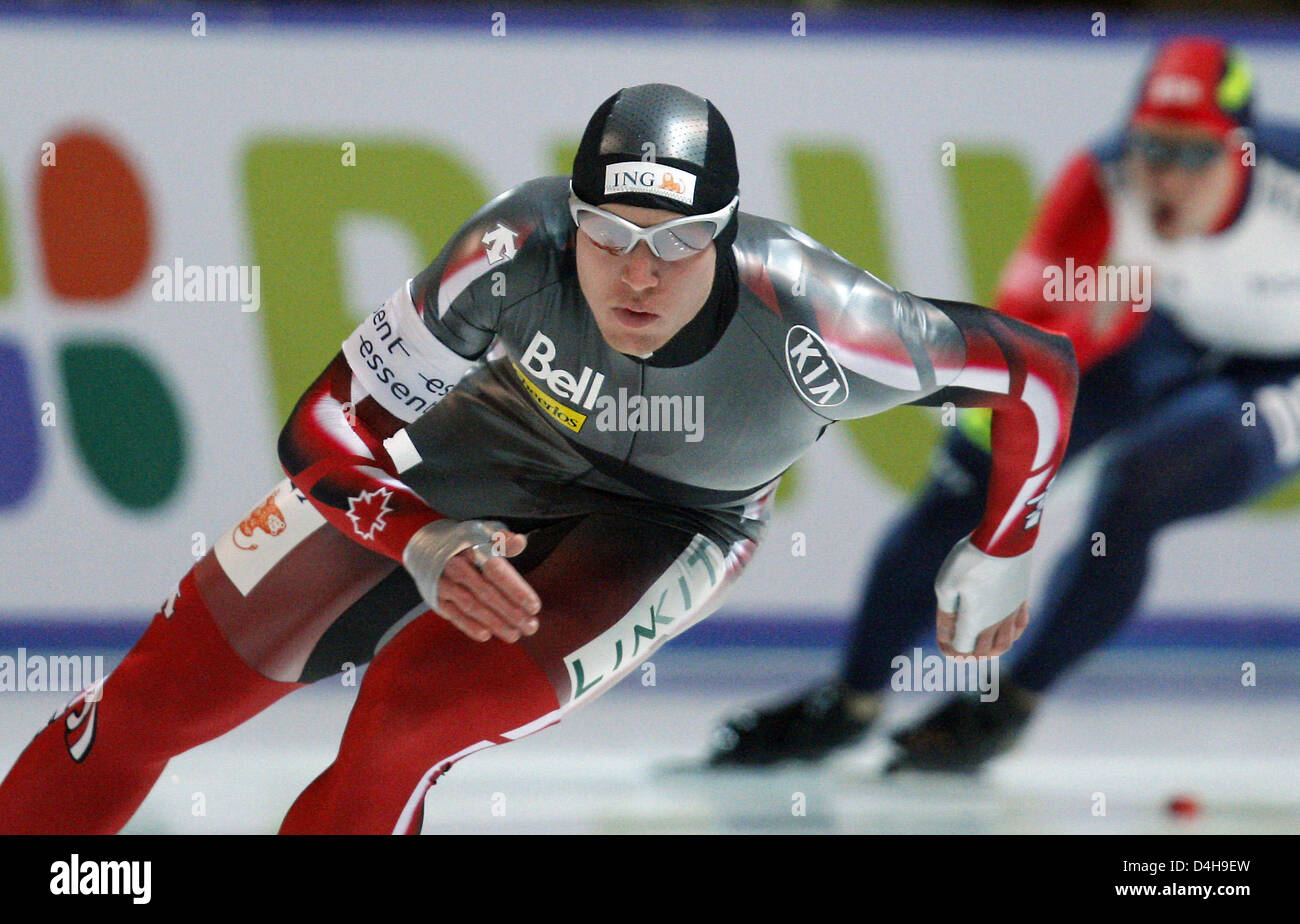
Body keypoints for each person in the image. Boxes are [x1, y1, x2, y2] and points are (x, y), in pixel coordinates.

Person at [0, 84, 1076, 834]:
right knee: (151, 704)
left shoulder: (829, 325)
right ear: (572, 216)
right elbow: (323, 429)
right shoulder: (513, 251)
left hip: (673, 523)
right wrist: (419, 539)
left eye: (676, 244)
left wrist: (1005, 540)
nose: (636, 277)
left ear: (729, 231)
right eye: (608, 235)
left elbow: (1039, 369)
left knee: (404, 726)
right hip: (484, 455)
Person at [705, 36, 1300, 772]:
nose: (1167, 178)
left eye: (1196, 156)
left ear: (1240, 153)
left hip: (1283, 367)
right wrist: (1086, 316)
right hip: (1165, 329)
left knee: (1140, 486)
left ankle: (1007, 704)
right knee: (977, 460)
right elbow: (1020, 334)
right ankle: (851, 698)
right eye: (1154, 147)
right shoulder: (1103, 175)